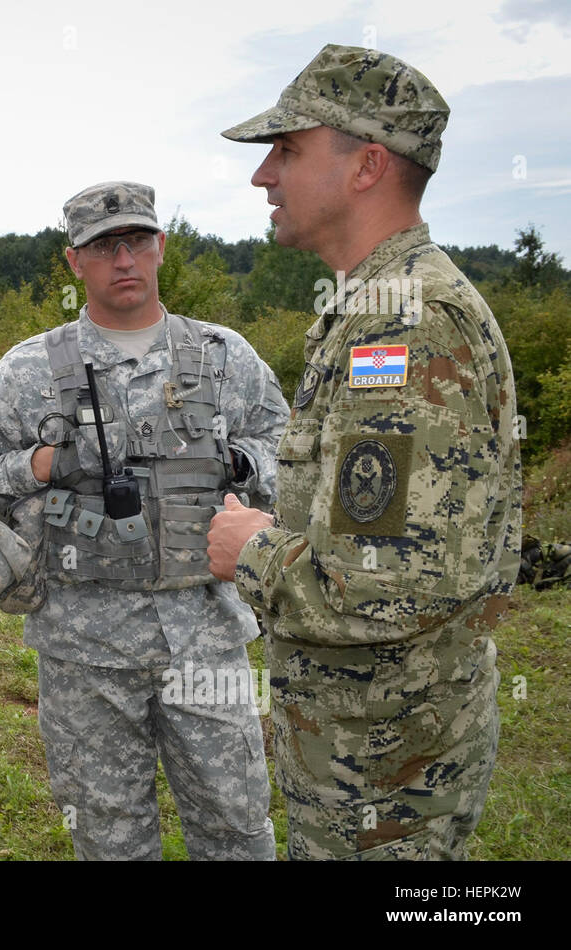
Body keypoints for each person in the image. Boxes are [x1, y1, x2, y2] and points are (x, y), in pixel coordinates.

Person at [209, 43, 520, 860]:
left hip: (384, 773)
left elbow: (383, 586)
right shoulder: (373, 309)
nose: (262, 177)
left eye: (288, 150)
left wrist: (253, 551)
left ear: (367, 166)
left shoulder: (407, 325)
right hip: (368, 751)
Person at [0, 181, 286, 860]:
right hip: (84, 650)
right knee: (109, 838)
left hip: (208, 636)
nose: (124, 258)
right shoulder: (28, 371)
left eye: (136, 241)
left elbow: (289, 443)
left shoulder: (225, 357)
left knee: (237, 827)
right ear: (74, 261)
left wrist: (240, 463)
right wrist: (42, 465)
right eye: (104, 247)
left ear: (160, 247)